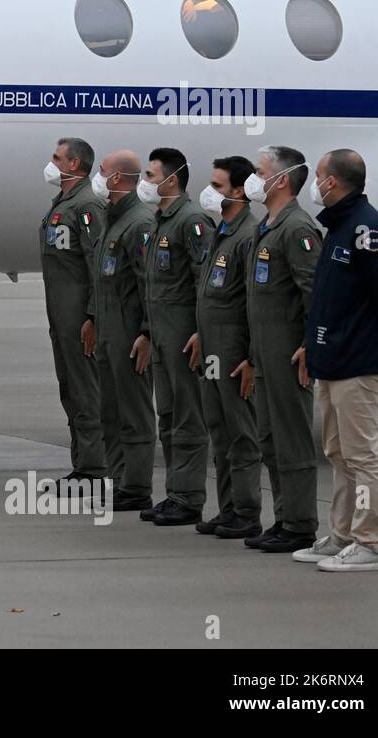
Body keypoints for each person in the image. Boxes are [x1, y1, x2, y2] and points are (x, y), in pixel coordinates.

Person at [293, 150, 378, 571]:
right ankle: (342, 535)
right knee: (339, 452)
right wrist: (312, 344)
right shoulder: (340, 227)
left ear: (334, 182)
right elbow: (329, 300)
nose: (316, 182)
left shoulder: (367, 230)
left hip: (358, 362)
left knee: (361, 456)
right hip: (334, 357)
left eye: (320, 176)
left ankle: (369, 543)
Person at [239, 145, 320, 553]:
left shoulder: (297, 228)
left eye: (259, 170)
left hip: (290, 354)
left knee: (292, 439)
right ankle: (284, 518)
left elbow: (314, 296)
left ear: (281, 179)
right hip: (266, 354)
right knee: (270, 439)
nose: (253, 178)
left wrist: (310, 346)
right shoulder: (266, 226)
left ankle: (302, 523)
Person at [137, 148, 213, 526]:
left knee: (188, 419)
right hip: (162, 340)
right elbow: (156, 286)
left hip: (184, 340)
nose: (145, 183)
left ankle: (189, 498)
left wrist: (202, 331)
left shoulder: (192, 220)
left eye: (150, 176)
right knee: (167, 418)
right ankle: (174, 493)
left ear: (171, 180)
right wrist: (147, 333)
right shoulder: (159, 222)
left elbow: (204, 282)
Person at [193, 156, 263, 539]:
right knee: (219, 430)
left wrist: (251, 357)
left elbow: (252, 301)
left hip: (235, 352)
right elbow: (213, 295)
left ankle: (248, 510)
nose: (210, 192)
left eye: (218, 186)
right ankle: (228, 508)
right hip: (213, 350)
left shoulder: (248, 235)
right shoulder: (222, 231)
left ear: (239, 191)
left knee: (241, 433)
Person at [89, 150, 157, 512]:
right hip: (108, 331)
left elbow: (149, 284)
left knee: (134, 411)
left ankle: (136, 485)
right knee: (111, 411)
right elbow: (103, 276)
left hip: (131, 335)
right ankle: (119, 481)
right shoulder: (111, 218)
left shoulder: (139, 223)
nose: (96, 177)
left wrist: (147, 333)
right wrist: (91, 316)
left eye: (102, 171)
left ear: (117, 179)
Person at [38, 137, 107, 487]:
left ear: (74, 164)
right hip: (62, 319)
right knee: (71, 390)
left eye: (57, 157)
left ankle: (93, 469)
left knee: (85, 391)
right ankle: (83, 464)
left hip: (80, 319)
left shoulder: (87, 206)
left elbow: (98, 266)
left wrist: (93, 317)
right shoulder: (62, 202)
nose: (51, 163)